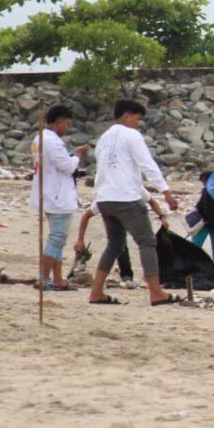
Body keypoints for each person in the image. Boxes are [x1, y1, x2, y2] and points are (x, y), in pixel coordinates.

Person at [86, 99, 180, 307]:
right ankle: (156, 292)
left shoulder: (103, 138)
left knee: (114, 244)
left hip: (104, 198)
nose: (138, 124)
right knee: (147, 242)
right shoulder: (131, 135)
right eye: (137, 119)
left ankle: (96, 291)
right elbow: (147, 164)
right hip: (125, 197)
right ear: (126, 116)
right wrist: (166, 192)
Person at [30, 103, 92, 290]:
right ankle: (44, 277)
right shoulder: (52, 141)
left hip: (48, 192)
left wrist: (71, 156)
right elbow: (67, 166)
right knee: (57, 237)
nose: (68, 127)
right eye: (66, 123)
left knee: (58, 238)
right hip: (57, 195)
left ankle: (57, 279)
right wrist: (77, 156)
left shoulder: (39, 138)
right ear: (58, 122)